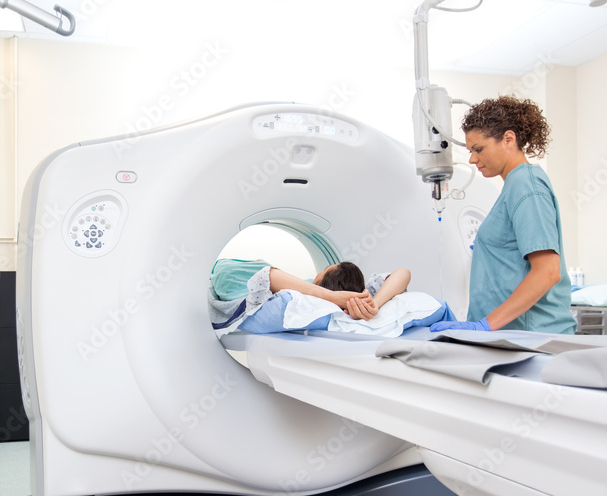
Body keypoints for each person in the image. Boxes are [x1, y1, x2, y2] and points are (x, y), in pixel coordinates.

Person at [430, 95, 577, 334]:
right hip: (513, 335)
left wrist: (485, 325)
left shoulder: (526, 186)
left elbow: (547, 271)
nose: (472, 159)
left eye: (478, 149)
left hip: (532, 336)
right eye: (470, 150)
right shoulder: (513, 186)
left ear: (508, 139)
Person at [210, 258, 411, 319]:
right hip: (287, 279)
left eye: (323, 271)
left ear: (318, 281)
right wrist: (334, 296)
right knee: (263, 265)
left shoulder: (353, 299)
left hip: (232, 275)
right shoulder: (345, 296)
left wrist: (373, 304)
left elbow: (267, 277)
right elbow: (403, 271)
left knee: (255, 269)